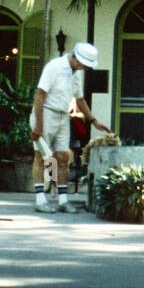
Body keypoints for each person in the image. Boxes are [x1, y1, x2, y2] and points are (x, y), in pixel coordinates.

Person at [31, 42, 110, 213]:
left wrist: (93, 120)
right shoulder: (54, 66)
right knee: (41, 157)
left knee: (62, 157)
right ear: (75, 57)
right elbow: (39, 94)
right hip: (46, 113)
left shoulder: (76, 73)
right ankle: (40, 199)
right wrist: (38, 124)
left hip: (63, 116)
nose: (84, 67)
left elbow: (80, 99)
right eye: (83, 64)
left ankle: (62, 199)